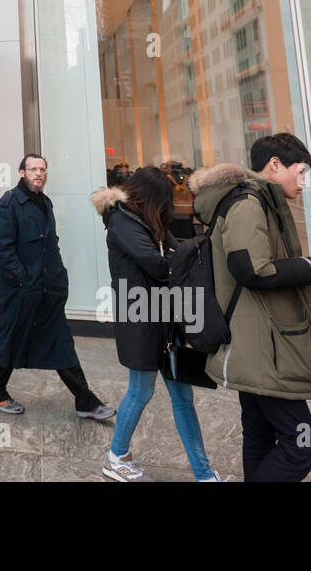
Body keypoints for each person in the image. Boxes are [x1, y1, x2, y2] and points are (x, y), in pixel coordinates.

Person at [189, 132, 311, 481]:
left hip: (258, 343)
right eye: (300, 171)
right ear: (275, 164)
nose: (303, 181)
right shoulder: (249, 203)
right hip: (264, 349)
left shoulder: (259, 200)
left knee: (259, 434)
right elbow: (251, 269)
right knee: (303, 445)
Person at [93, 168, 222, 481]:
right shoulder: (121, 220)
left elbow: (173, 252)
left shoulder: (147, 222)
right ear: (151, 200)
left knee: (183, 398)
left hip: (165, 317)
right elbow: (157, 264)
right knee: (140, 391)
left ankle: (204, 475)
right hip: (141, 319)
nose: (170, 210)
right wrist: (195, 247)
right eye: (166, 202)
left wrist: (194, 246)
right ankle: (116, 457)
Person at [0, 153, 115, 421]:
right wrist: (22, 278)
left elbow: (50, 245)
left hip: (48, 290)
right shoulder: (10, 202)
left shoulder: (46, 203)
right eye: (32, 169)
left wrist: (59, 276)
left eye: (42, 170)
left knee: (60, 342)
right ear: (21, 172)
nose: (38, 174)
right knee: (9, 339)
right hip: (21, 291)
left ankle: (85, 401)